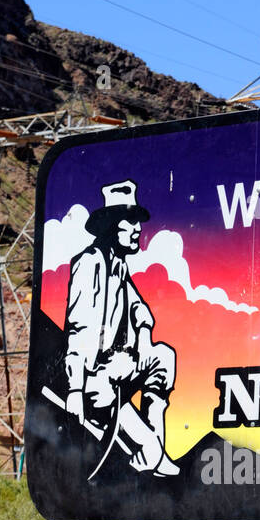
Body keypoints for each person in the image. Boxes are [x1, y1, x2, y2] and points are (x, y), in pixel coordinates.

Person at [63, 179, 178, 477]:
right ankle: (150, 452)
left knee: (163, 356)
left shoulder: (119, 267)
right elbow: (78, 332)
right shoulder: (90, 265)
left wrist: (142, 338)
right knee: (145, 447)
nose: (138, 229)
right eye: (130, 222)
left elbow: (141, 309)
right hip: (93, 376)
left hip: (117, 365)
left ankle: (155, 448)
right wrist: (75, 389)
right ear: (112, 226)